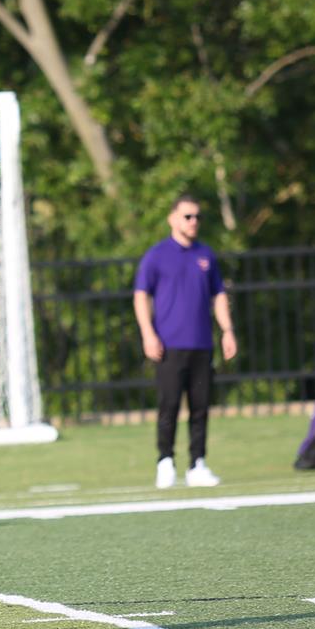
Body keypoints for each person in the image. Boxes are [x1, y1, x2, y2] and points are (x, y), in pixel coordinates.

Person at [133, 195, 237, 488]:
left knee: (201, 406)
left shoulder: (206, 255)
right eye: (187, 217)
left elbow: (218, 295)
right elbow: (142, 295)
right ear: (173, 218)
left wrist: (227, 330)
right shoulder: (157, 255)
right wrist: (148, 333)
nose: (193, 222)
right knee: (169, 405)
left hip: (202, 343)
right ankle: (165, 461)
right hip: (169, 344)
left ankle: (197, 464)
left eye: (197, 217)